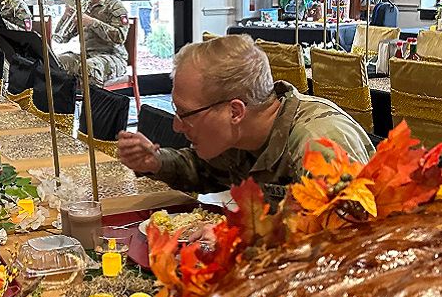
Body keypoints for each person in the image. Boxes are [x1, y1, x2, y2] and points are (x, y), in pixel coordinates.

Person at [117, 34, 374, 204]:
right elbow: (205, 170)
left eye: (185, 114)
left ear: (235, 111)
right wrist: (156, 162)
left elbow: (349, 242)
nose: (176, 125)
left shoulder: (319, 146)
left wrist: (246, 237)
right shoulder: (247, 132)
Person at [54, 0, 129, 87]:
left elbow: (120, 37)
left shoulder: (114, 6)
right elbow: (61, 38)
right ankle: (63, 105)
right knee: (55, 62)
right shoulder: (84, 6)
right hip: (87, 56)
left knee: (89, 68)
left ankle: (93, 106)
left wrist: (92, 22)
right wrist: (66, 17)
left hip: (112, 57)